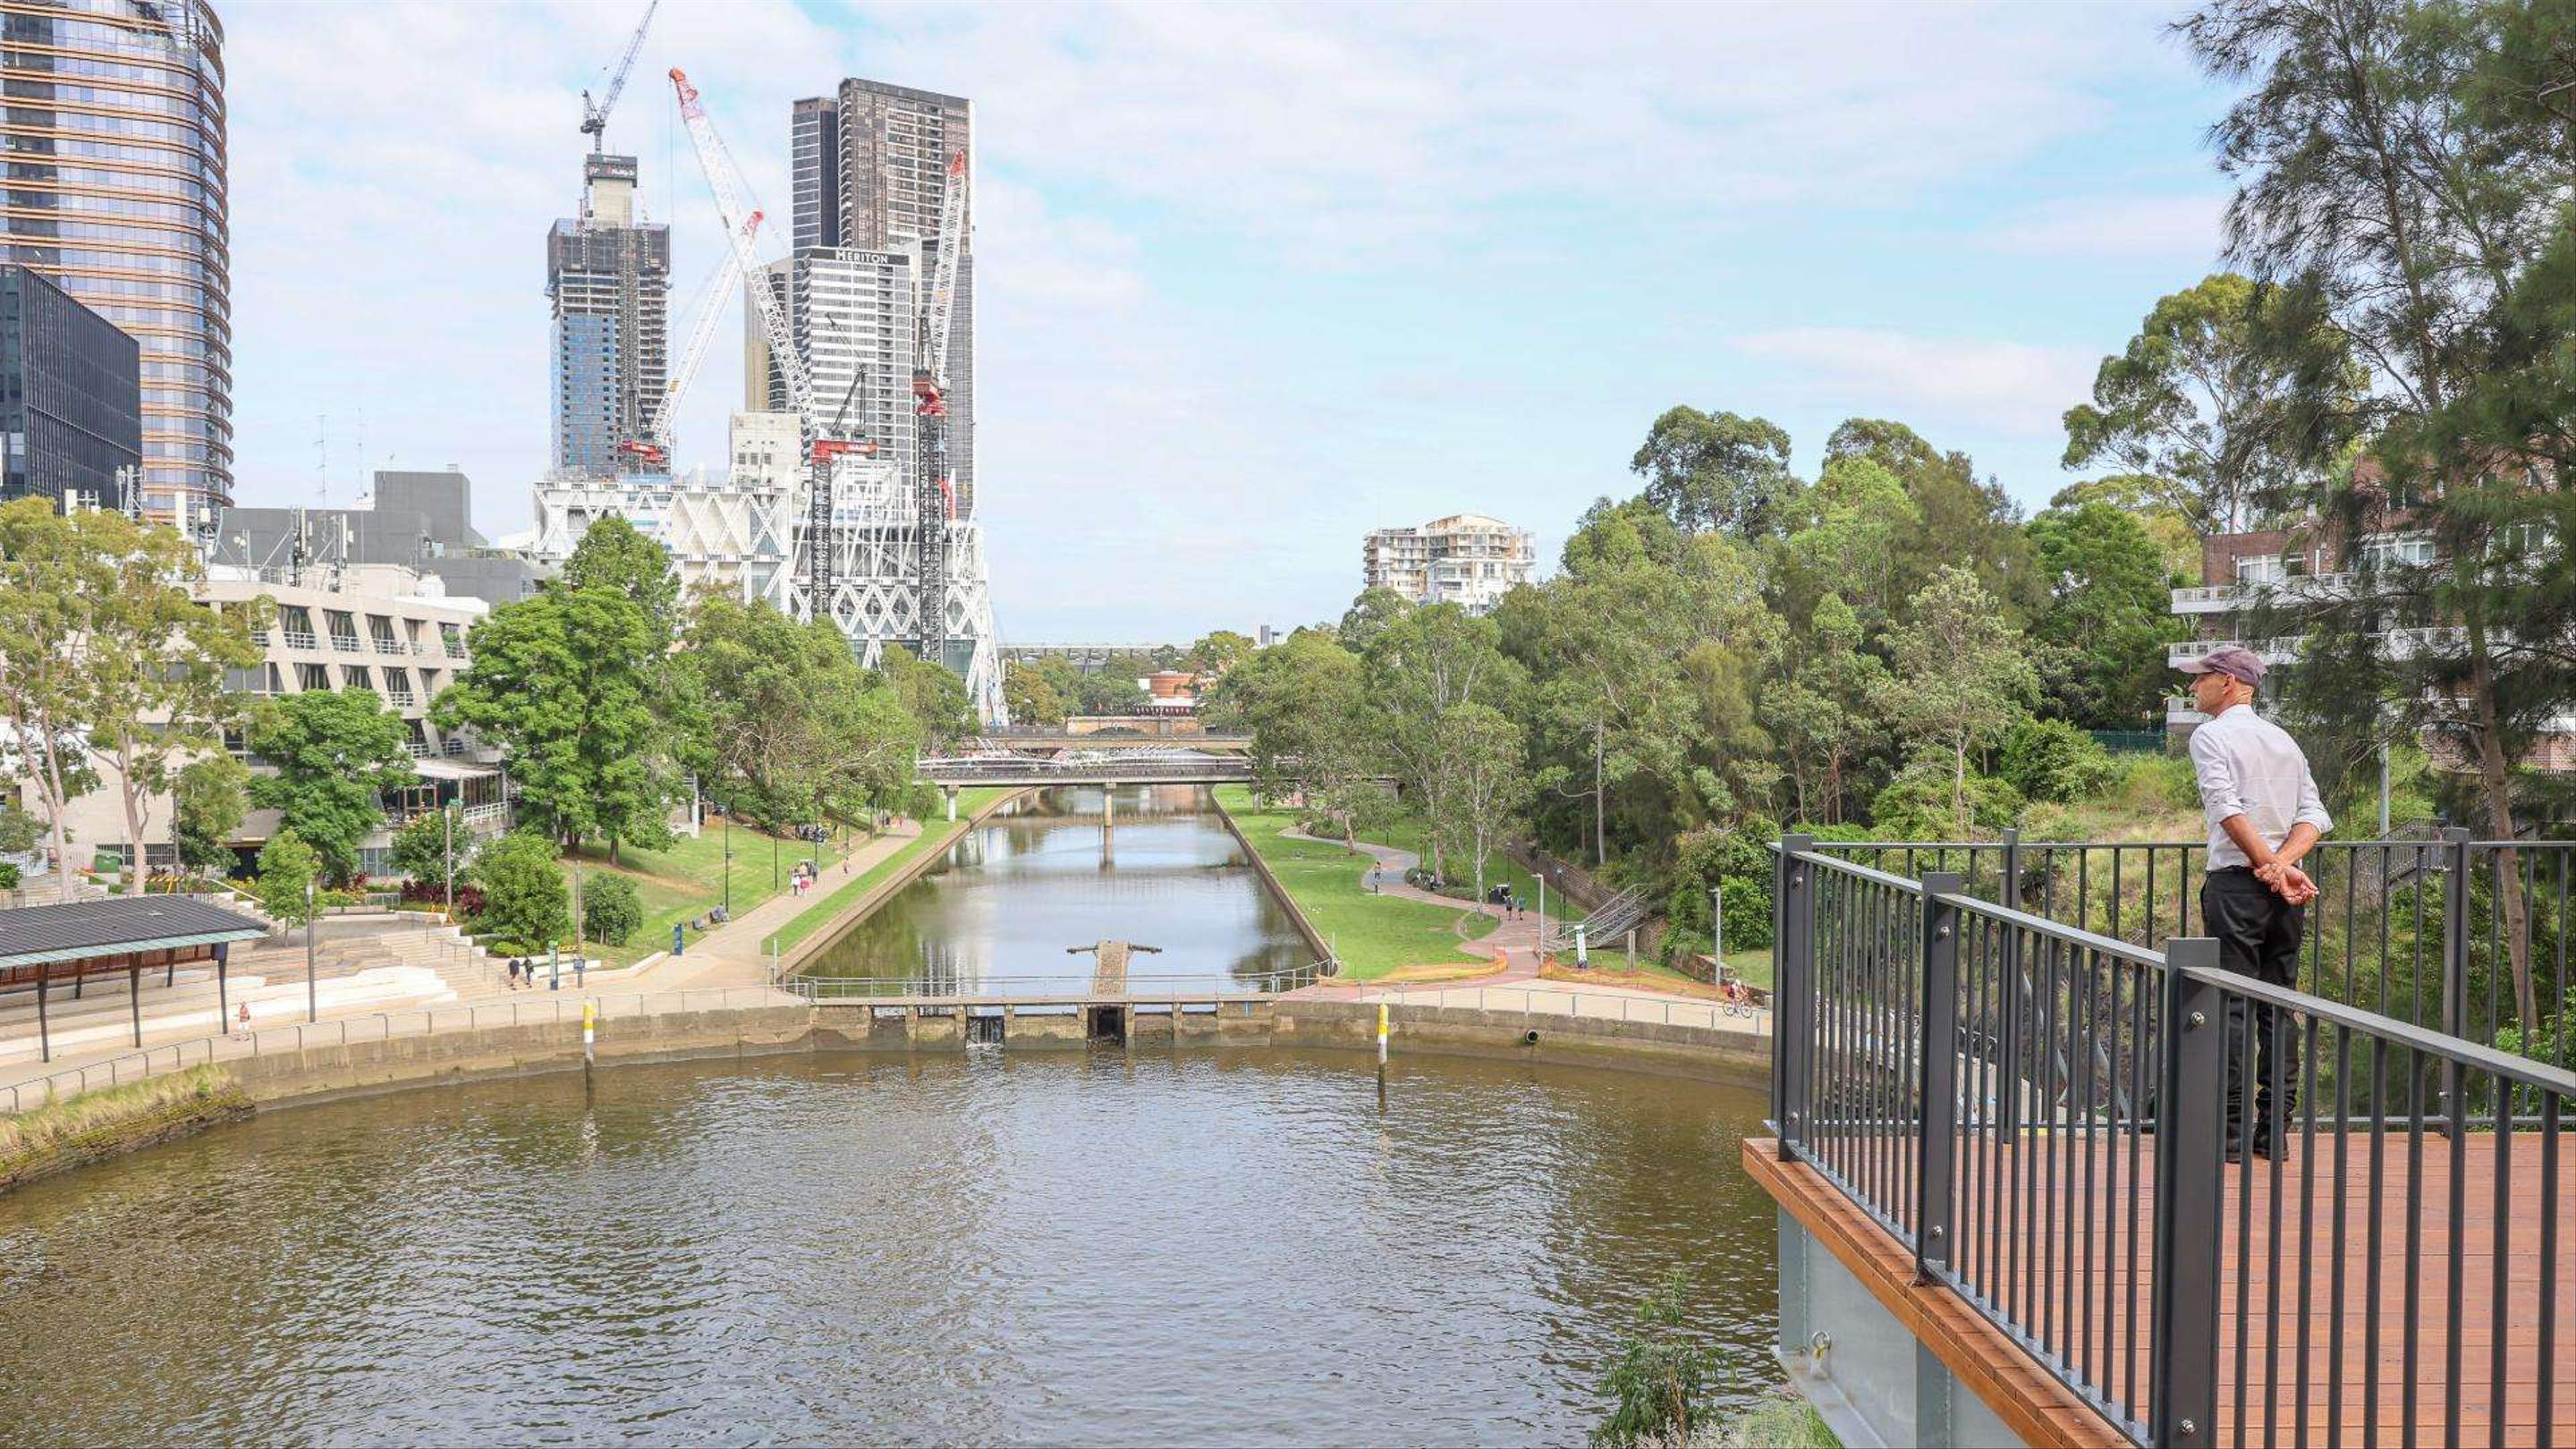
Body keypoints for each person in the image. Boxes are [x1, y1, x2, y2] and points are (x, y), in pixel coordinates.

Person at [2182, 645, 2332, 1161]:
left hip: (2237, 886)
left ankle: (2227, 1134)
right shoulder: (2283, 740)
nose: (2192, 688)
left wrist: (2267, 864)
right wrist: (2283, 865)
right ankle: (2275, 1132)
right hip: (2284, 894)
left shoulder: (2211, 736)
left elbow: (2226, 808)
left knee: (2233, 1006)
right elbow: (2313, 813)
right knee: (2278, 1004)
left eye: (2199, 679)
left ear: (2227, 682)